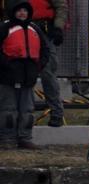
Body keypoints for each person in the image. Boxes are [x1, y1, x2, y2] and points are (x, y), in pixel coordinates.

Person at [1, 0, 47, 148]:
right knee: (8, 109)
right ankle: (7, 139)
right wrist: (6, 65)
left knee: (27, 110)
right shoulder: (5, 27)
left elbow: (45, 50)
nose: (22, 13)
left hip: (28, 77)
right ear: (13, 12)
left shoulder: (35, 28)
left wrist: (38, 66)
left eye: (25, 10)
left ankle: (25, 138)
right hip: (7, 77)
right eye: (19, 10)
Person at [26, 0, 59, 127]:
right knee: (22, 76)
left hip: (45, 31)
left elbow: (61, 7)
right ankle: (25, 117)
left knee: (48, 74)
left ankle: (56, 114)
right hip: (21, 31)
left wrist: (58, 28)